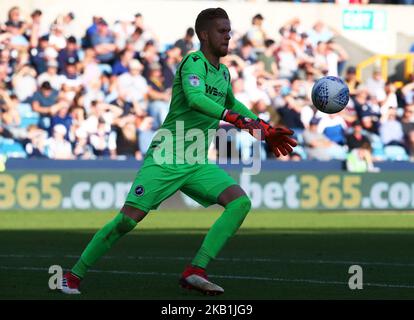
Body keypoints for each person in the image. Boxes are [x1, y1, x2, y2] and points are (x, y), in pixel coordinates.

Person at [60, 7, 296, 296]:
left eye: (229, 30)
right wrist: (236, 119)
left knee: (240, 203)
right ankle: (72, 275)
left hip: (197, 161)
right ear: (204, 34)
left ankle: (195, 270)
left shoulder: (223, 72)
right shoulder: (192, 63)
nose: (228, 35)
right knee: (126, 221)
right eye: (222, 31)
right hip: (166, 156)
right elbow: (197, 100)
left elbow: (234, 105)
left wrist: (263, 128)